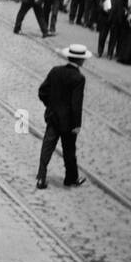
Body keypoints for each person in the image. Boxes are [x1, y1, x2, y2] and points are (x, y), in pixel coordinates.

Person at [36, 43, 90, 189]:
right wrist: (77, 124)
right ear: (80, 61)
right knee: (69, 151)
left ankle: (41, 177)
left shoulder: (55, 71)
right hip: (68, 123)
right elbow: (76, 104)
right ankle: (71, 178)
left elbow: (42, 91)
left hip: (53, 118)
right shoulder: (79, 78)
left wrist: (51, 105)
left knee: (47, 148)